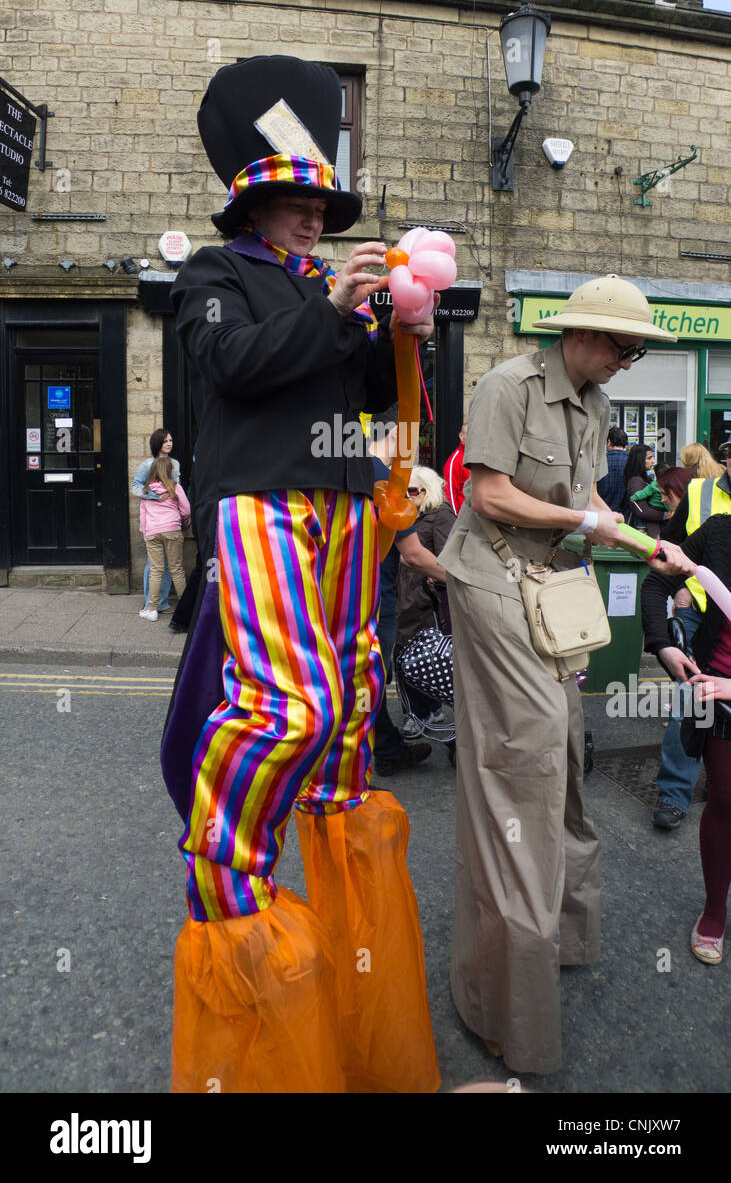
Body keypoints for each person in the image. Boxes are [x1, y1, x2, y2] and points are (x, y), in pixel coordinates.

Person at [160, 55, 440, 1094]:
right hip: (257, 499)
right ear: (260, 205)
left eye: (324, 204)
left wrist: (406, 329)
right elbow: (233, 366)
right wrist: (331, 304)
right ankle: (223, 875)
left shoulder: (325, 291)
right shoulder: (210, 278)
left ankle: (343, 975)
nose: (317, 216)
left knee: (347, 717)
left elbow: (395, 405)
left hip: (339, 504)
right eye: (301, 203)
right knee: (288, 705)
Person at [439, 273, 677, 1074]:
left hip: (548, 589)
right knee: (521, 768)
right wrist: (587, 521)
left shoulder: (597, 403)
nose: (629, 360)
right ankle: (500, 997)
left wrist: (651, 547)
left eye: (637, 350)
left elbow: (589, 514)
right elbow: (492, 495)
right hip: (491, 581)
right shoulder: (507, 385)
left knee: (563, 758)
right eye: (623, 345)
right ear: (581, 334)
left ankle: (558, 946)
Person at [641, 522, 731, 965]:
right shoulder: (719, 531)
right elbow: (658, 578)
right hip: (718, 695)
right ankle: (714, 911)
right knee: (726, 804)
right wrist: (662, 644)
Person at [650, 449, 731, 828]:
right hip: (698, 611)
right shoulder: (701, 493)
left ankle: (718, 779)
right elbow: (668, 549)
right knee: (691, 698)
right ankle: (675, 794)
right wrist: (681, 585)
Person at [369, 425, 444, 777]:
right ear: (396, 438)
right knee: (368, 679)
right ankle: (373, 755)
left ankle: (386, 747)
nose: (413, 453)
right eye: (411, 442)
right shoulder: (386, 483)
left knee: (358, 678)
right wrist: (462, 580)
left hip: (339, 596)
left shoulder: (349, 470)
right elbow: (413, 554)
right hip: (376, 601)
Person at [394, 466, 455, 742]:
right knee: (404, 657)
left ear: (427, 491)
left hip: (425, 601)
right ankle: (422, 711)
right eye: (403, 491)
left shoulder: (440, 516)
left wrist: (426, 568)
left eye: (413, 491)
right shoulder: (404, 516)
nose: (407, 496)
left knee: (419, 656)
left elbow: (450, 557)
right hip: (403, 598)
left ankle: (419, 714)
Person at [131, 429, 181, 613]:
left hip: (170, 519)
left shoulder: (175, 463)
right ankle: (150, 603)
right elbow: (135, 486)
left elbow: (177, 489)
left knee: (168, 564)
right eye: (165, 440)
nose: (169, 443)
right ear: (157, 443)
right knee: (153, 565)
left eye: (170, 440)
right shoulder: (147, 465)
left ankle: (162, 602)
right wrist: (153, 495)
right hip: (153, 521)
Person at [138, 459, 191, 621]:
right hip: (172, 530)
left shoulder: (147, 490)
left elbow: (143, 515)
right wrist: (184, 518)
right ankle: (186, 608)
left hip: (152, 532)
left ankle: (152, 610)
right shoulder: (175, 486)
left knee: (156, 570)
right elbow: (186, 508)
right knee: (176, 569)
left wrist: (146, 533)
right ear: (169, 471)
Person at [624, 443, 665, 537]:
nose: (653, 461)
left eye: (653, 457)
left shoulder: (644, 479)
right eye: (649, 458)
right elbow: (641, 510)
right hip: (645, 531)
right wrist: (664, 514)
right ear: (640, 460)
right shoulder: (635, 481)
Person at [596, 425, 628, 512]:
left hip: (601, 512)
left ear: (609, 442)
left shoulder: (599, 461)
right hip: (624, 515)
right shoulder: (631, 462)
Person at [443, 424, 470, 514]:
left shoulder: (478, 459)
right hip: (463, 518)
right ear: (461, 436)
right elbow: (450, 494)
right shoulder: (455, 461)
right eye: (469, 434)